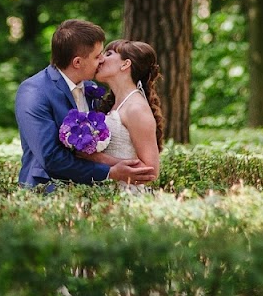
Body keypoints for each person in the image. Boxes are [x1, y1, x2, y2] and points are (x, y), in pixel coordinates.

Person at [15, 19, 157, 189]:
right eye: (97, 56)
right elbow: (50, 157)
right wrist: (109, 171)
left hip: (93, 194)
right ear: (77, 62)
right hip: (47, 191)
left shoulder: (92, 89)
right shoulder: (34, 91)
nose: (102, 59)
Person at [78, 38, 163, 191]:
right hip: (105, 194)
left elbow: (151, 171)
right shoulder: (113, 104)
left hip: (126, 197)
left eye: (108, 54)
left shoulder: (136, 108)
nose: (101, 59)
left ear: (125, 64)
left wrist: (99, 159)